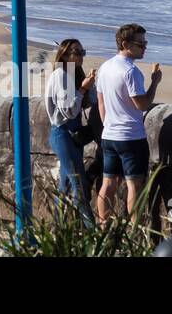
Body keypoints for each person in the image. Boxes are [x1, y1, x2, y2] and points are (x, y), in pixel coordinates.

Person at [95, 23, 162, 222]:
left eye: (145, 43)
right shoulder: (131, 71)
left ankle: (103, 226)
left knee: (108, 184)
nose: (144, 47)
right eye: (140, 44)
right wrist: (155, 83)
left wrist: (108, 125)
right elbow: (142, 104)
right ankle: (135, 232)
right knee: (135, 185)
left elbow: (101, 102)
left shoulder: (105, 67)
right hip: (131, 136)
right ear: (125, 44)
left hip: (109, 135)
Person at [44, 39, 96, 222]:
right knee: (79, 184)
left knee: (65, 185)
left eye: (83, 52)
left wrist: (89, 86)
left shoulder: (73, 75)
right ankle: (91, 231)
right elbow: (69, 111)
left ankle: (58, 227)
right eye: (77, 52)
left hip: (72, 134)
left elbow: (91, 102)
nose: (81, 55)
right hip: (63, 133)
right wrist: (83, 89)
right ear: (65, 55)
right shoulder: (60, 75)